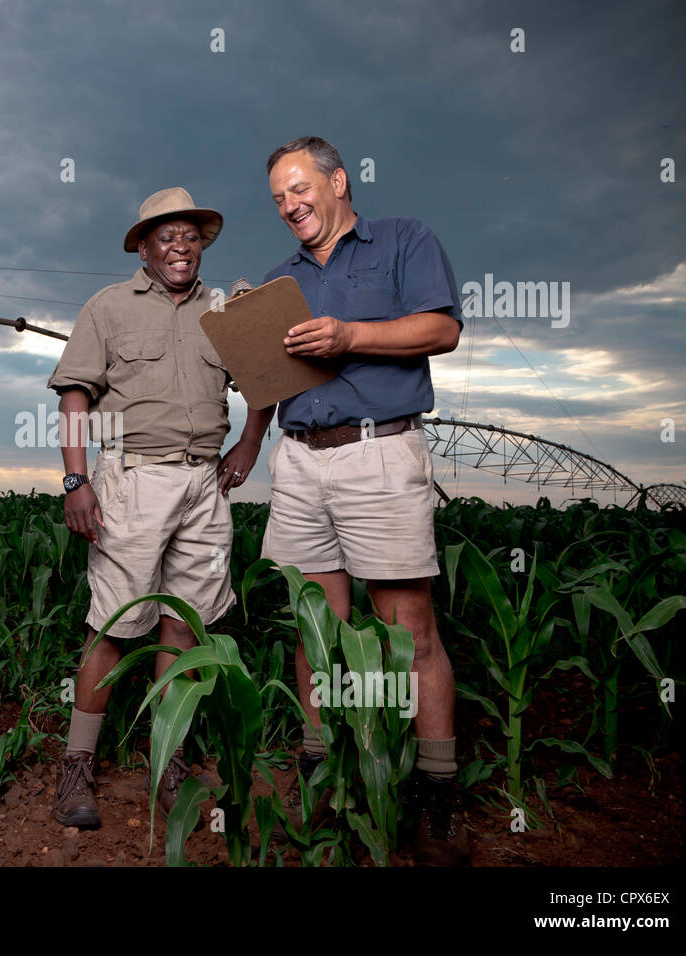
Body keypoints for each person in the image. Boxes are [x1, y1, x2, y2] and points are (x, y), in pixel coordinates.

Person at [239, 136, 470, 865]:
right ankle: (320, 774)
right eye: (277, 198)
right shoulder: (279, 280)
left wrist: (350, 335)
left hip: (380, 452)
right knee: (316, 629)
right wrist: (250, 436)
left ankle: (436, 796)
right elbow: (267, 380)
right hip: (300, 461)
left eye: (299, 189)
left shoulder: (405, 241)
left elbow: (443, 329)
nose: (289, 205)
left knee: (410, 634)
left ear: (339, 181)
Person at [46, 187, 259, 829]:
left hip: (205, 486)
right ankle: (77, 769)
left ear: (201, 245)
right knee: (112, 625)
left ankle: (167, 764)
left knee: (184, 628)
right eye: (165, 236)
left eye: (190, 235)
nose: (180, 245)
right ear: (143, 246)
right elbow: (76, 398)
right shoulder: (108, 307)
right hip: (133, 481)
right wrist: (75, 481)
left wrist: (249, 441)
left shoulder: (224, 311)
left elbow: (267, 381)